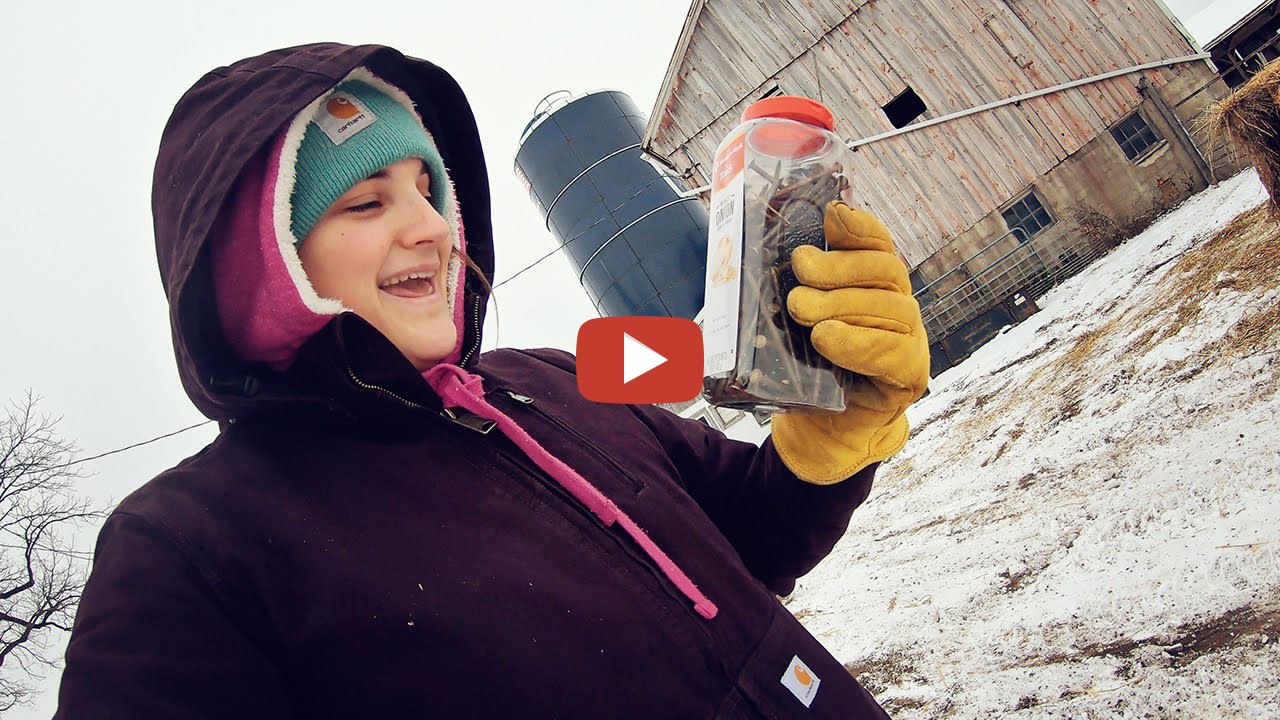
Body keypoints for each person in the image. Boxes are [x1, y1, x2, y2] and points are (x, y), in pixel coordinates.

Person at [55, 43, 929, 718]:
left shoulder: (556, 372)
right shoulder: (184, 551)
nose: (433, 229)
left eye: (429, 190)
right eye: (367, 202)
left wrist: (828, 439)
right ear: (262, 268)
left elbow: (753, 531)